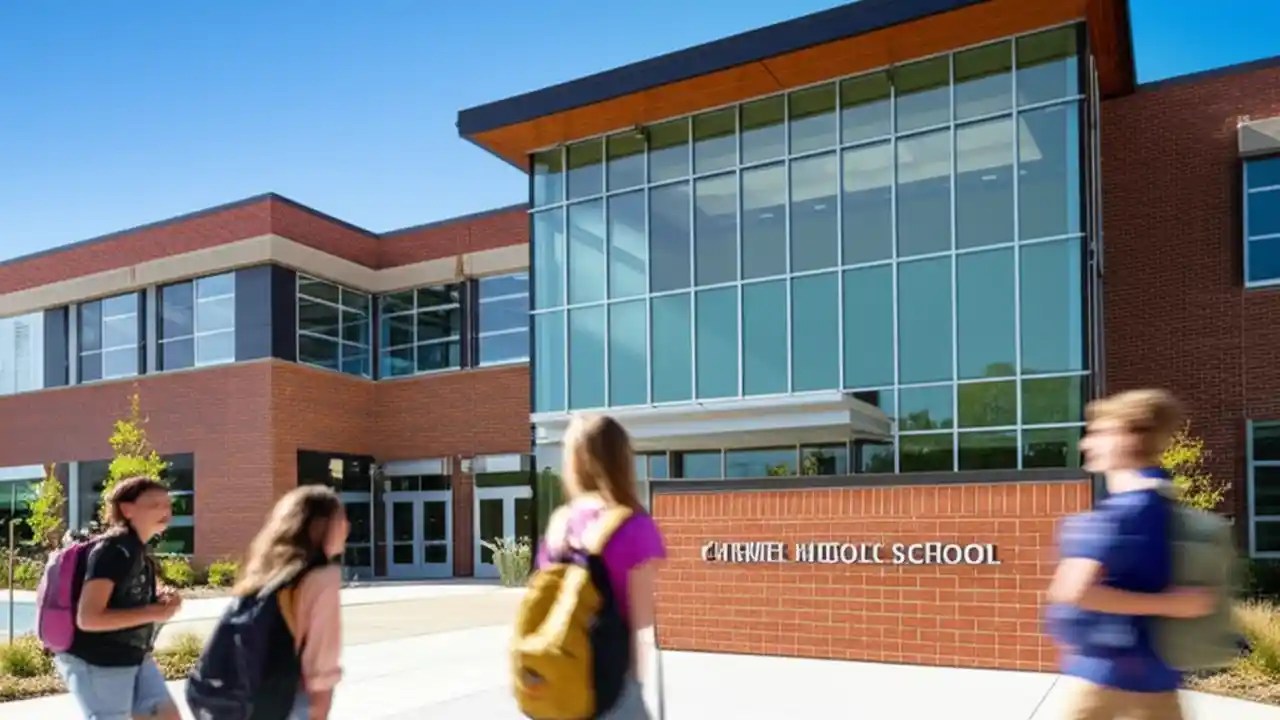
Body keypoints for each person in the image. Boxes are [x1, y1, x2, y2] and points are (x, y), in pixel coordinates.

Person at [1046, 389, 1217, 719]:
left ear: (1127, 436)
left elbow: (1073, 591)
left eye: (1098, 432)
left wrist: (1171, 604)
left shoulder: (1126, 511)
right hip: (1151, 676)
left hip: (1108, 679)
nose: (1086, 443)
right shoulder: (1160, 504)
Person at [536, 414, 667, 719]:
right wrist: (635, 689)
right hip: (611, 690)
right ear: (621, 460)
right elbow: (642, 626)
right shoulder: (633, 526)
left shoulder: (560, 522)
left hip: (558, 683)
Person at [54, 476, 183, 720]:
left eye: (167, 504)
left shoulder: (135, 549)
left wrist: (157, 599)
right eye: (154, 504)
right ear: (126, 509)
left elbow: (121, 597)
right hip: (98, 660)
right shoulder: (113, 550)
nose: (165, 510)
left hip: (133, 655)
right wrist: (154, 612)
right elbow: (89, 618)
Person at [234, 484, 348, 720]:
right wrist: (320, 707)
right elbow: (320, 664)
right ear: (320, 526)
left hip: (249, 697)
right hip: (291, 699)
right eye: (340, 518)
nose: (346, 526)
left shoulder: (264, 573)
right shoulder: (320, 578)